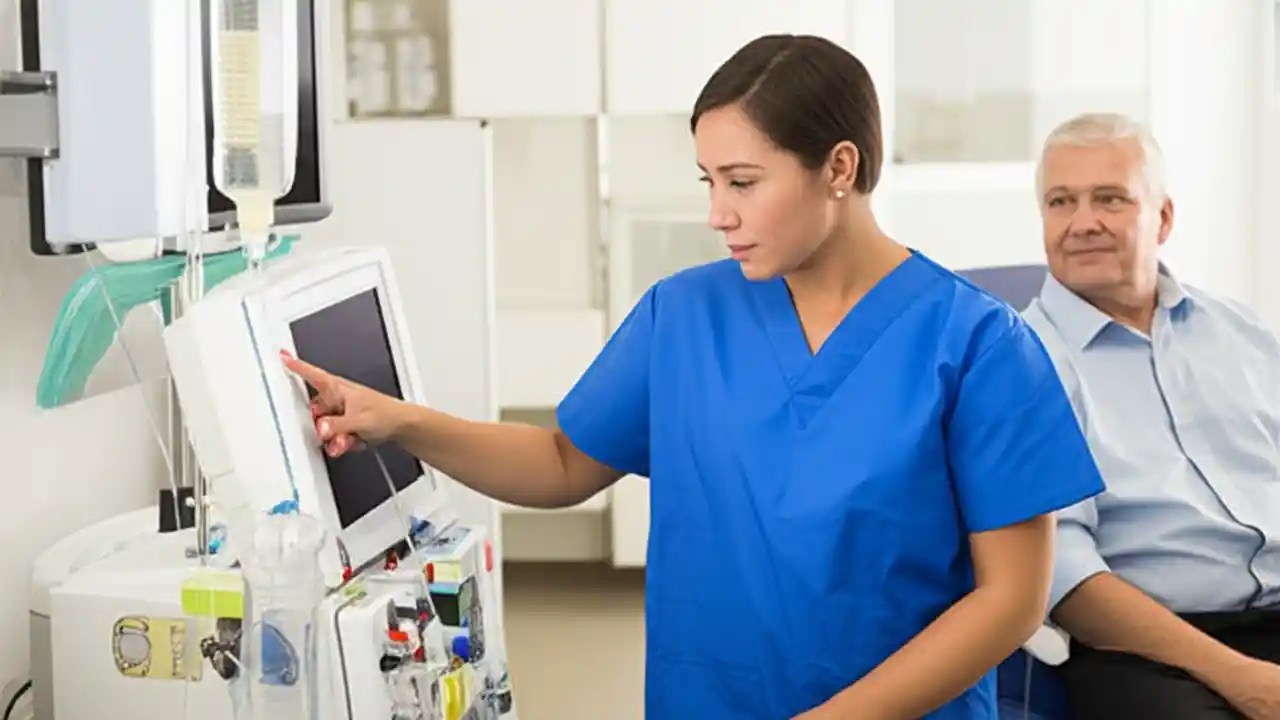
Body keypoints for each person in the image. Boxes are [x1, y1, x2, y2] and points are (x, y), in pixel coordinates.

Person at [284, 35, 1104, 719]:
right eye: (709, 182)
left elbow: (1012, 601)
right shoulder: (683, 315)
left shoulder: (978, 345)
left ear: (840, 168)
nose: (718, 212)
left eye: (743, 182)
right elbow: (566, 462)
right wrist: (402, 423)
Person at [1022, 112, 1280, 719]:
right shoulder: (1022, 363)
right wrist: (1240, 676)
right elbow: (1065, 581)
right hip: (1146, 651)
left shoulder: (1244, 334)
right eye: (1062, 202)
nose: (1083, 222)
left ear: (1162, 218)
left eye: (1109, 199)